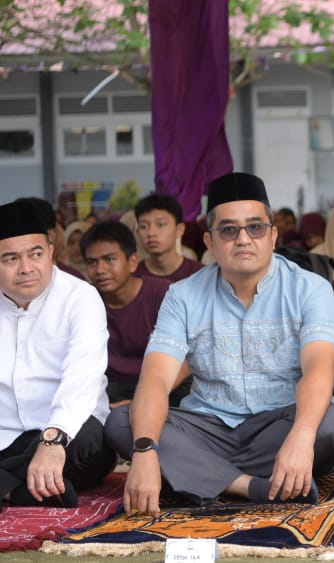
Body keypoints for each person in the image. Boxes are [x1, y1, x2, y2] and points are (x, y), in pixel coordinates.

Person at [104, 172, 334, 514]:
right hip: (208, 430)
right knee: (120, 423)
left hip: (279, 427)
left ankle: (200, 475)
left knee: (328, 425)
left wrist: (302, 437)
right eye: (229, 230)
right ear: (209, 241)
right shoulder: (182, 295)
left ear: (273, 235)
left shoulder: (310, 288)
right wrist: (144, 452)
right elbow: (156, 378)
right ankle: (250, 486)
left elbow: (320, 368)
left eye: (255, 228)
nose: (243, 239)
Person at [0, 200, 115, 507]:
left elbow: (83, 377)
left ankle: (12, 487)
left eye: (35, 254)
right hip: (6, 438)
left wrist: (52, 440)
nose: (26, 268)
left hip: (70, 435)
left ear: (52, 252)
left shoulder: (80, 298)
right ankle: (20, 489)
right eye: (10, 259)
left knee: (92, 441)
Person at [80, 220, 189, 408]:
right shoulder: (84, 300)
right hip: (111, 389)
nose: (100, 270)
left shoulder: (163, 294)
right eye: (92, 262)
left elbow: (190, 358)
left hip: (167, 385)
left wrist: (141, 400)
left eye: (109, 259)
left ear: (132, 262)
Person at [133, 194, 204, 283]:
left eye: (160, 224)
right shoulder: (132, 278)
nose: (151, 233)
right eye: (143, 226)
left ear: (179, 230)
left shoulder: (201, 276)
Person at [15, 197, 83, 280]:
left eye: (24, 233)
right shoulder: (7, 281)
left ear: (50, 236)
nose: (15, 241)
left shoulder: (74, 283)